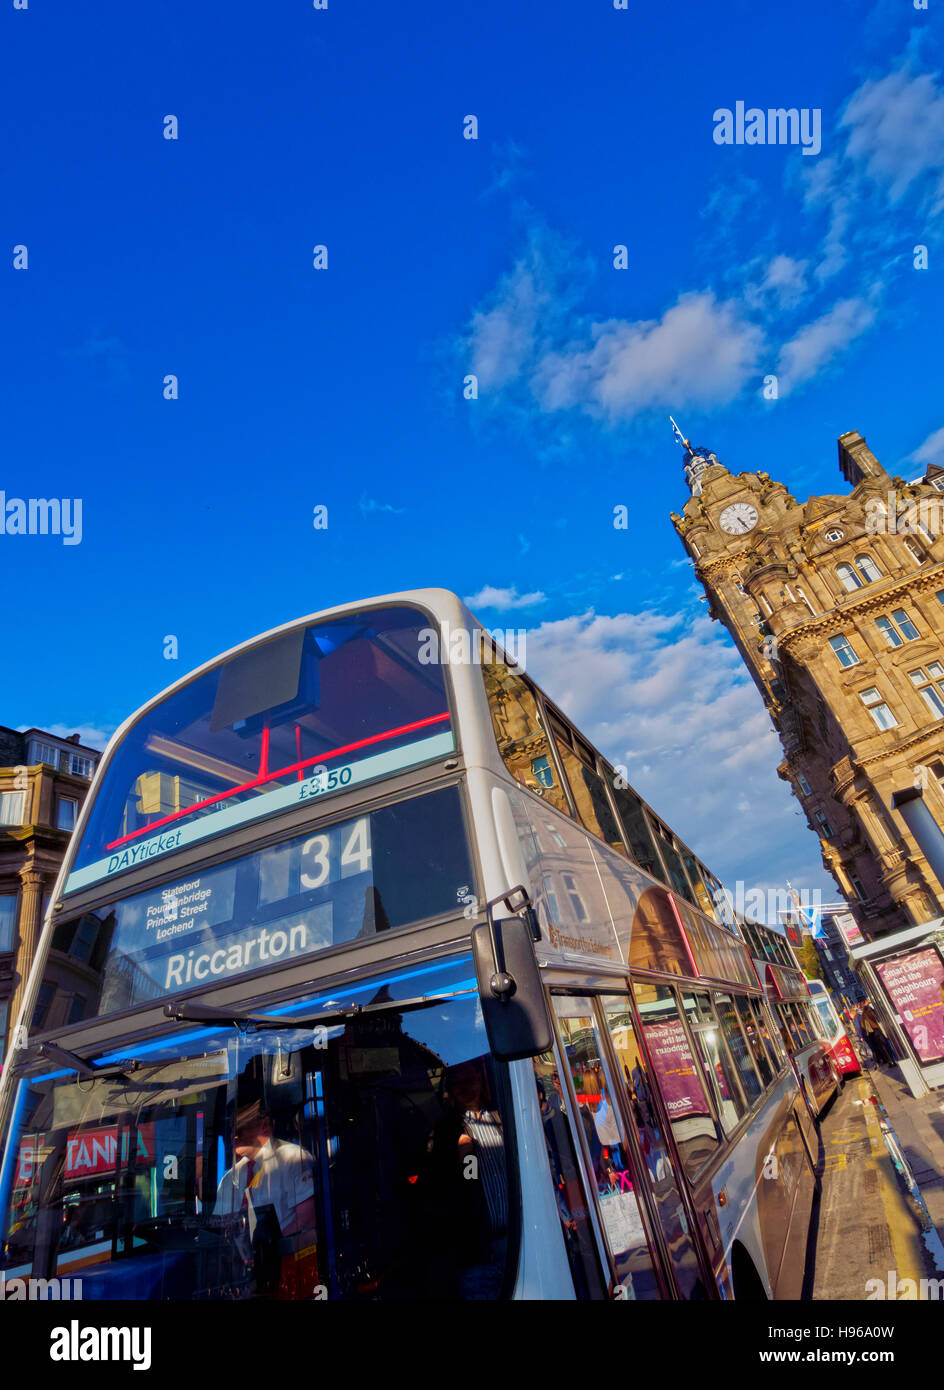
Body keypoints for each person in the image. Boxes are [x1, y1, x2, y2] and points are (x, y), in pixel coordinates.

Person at [214, 1099, 317, 1296]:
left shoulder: (293, 1159)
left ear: (265, 1125)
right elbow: (218, 1228)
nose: (233, 1134)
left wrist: (263, 1250)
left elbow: (307, 1221)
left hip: (287, 1274)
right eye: (231, 1127)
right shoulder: (229, 1180)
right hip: (240, 1281)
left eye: (240, 1125)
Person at [860, 1000, 896, 1068]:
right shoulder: (873, 1011)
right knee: (886, 1046)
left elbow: (863, 1026)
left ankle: (888, 1061)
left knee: (881, 1048)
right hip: (879, 1030)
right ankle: (892, 1060)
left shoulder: (863, 1015)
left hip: (872, 1033)